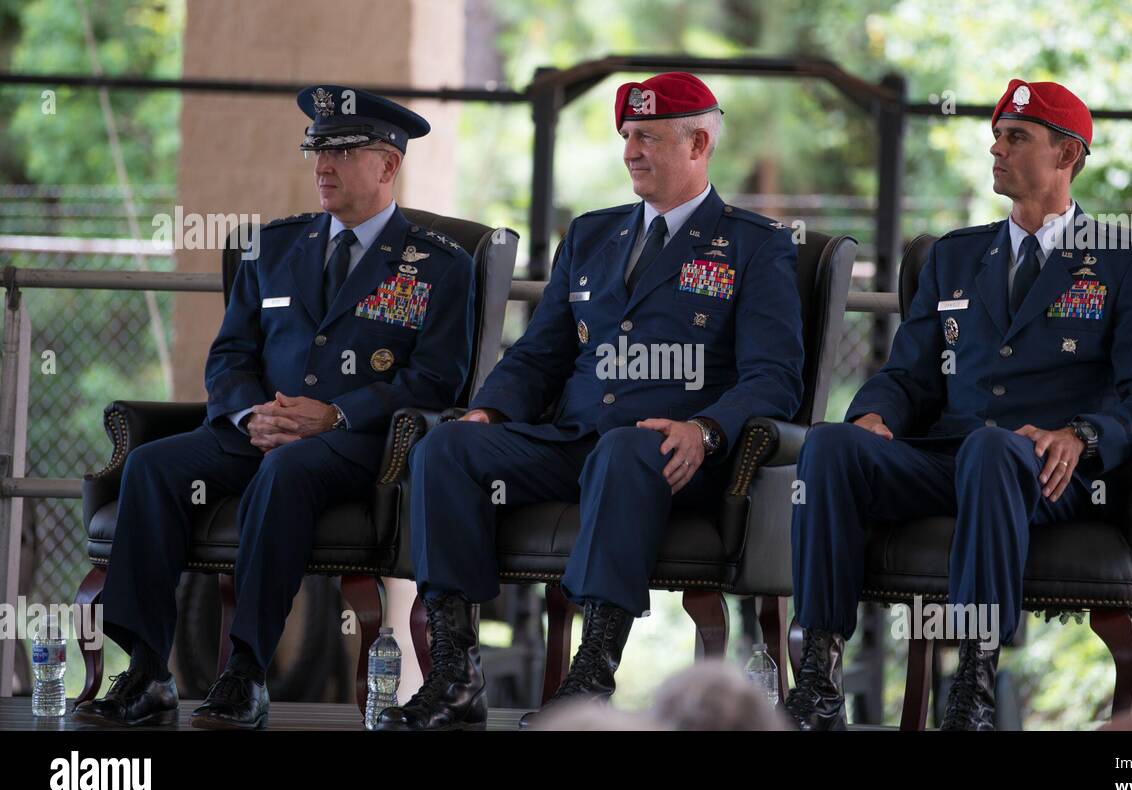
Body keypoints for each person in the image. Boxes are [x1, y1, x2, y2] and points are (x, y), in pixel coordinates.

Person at [377, 72, 804, 731]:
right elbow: (540, 353)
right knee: (448, 445)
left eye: (648, 137)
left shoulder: (756, 244)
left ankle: (590, 678)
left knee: (626, 449)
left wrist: (706, 428)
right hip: (575, 440)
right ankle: (455, 674)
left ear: (698, 143)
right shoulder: (591, 234)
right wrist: (488, 410)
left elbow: (773, 377)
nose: (631, 150)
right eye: (627, 136)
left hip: (672, 453)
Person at [784, 79, 1132, 731]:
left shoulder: (1124, 259)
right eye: (997, 135)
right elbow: (909, 375)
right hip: (949, 457)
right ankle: (817, 679)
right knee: (832, 444)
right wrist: (875, 414)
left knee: (994, 448)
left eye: (1016, 137)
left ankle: (973, 683)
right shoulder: (956, 255)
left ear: (1067, 156)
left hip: (1049, 471)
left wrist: (1084, 434)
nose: (996, 148)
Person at [77, 85, 476, 730]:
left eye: (343, 152)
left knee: (287, 473)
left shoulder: (439, 265)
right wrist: (248, 415)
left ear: (388, 164)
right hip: (256, 429)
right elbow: (229, 355)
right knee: (151, 466)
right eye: (316, 149)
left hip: (357, 445)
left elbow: (438, 381)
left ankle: (245, 672)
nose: (322, 165)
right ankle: (148, 672)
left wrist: (334, 414)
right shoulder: (273, 247)